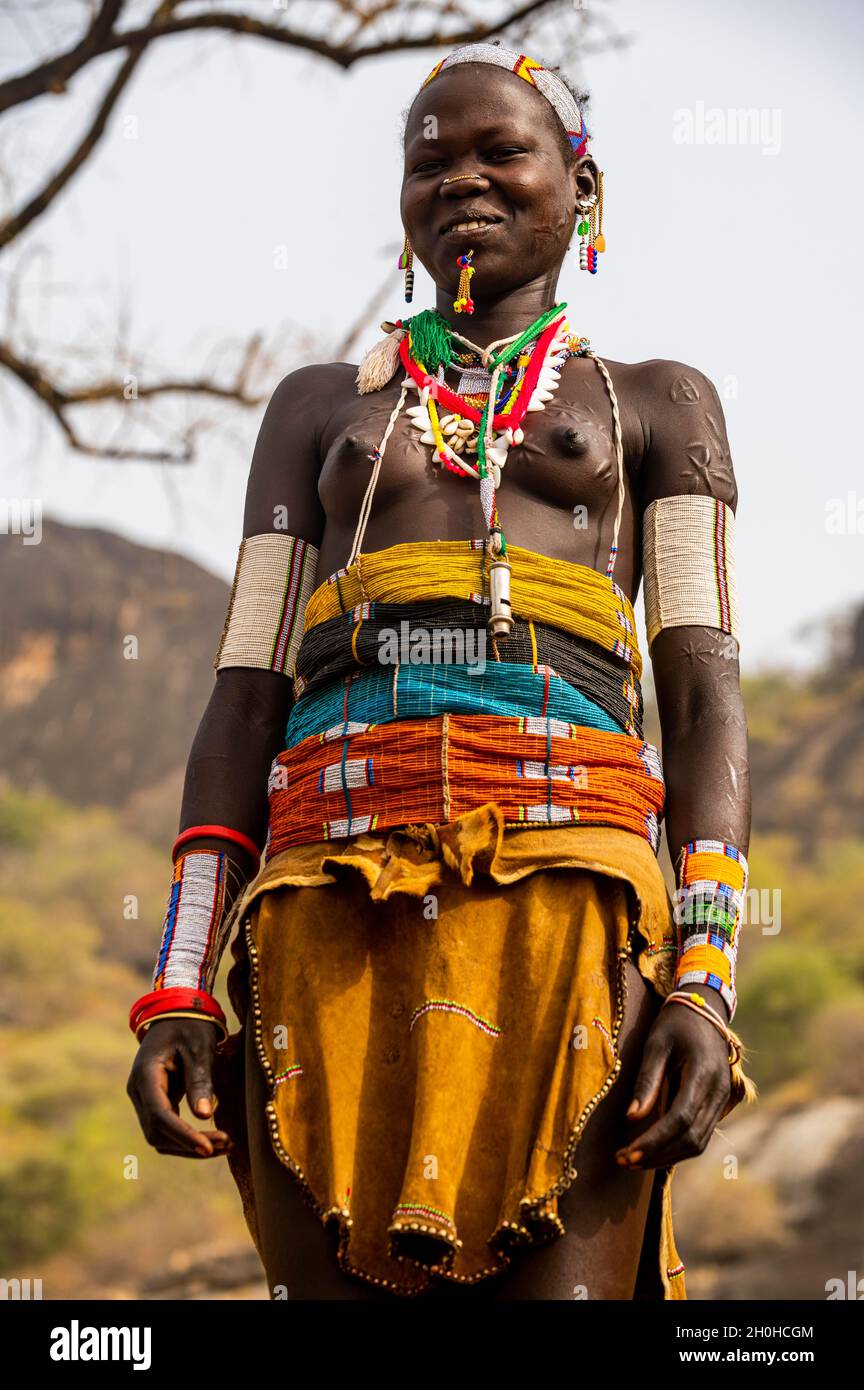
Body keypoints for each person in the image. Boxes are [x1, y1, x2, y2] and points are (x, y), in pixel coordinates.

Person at [127, 42, 756, 1301]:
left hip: (572, 902)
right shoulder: (316, 410)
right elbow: (247, 685)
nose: (460, 179)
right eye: (429, 160)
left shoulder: (660, 404)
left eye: (498, 152)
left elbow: (703, 693)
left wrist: (706, 974)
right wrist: (181, 977)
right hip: (325, 904)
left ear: (581, 190)